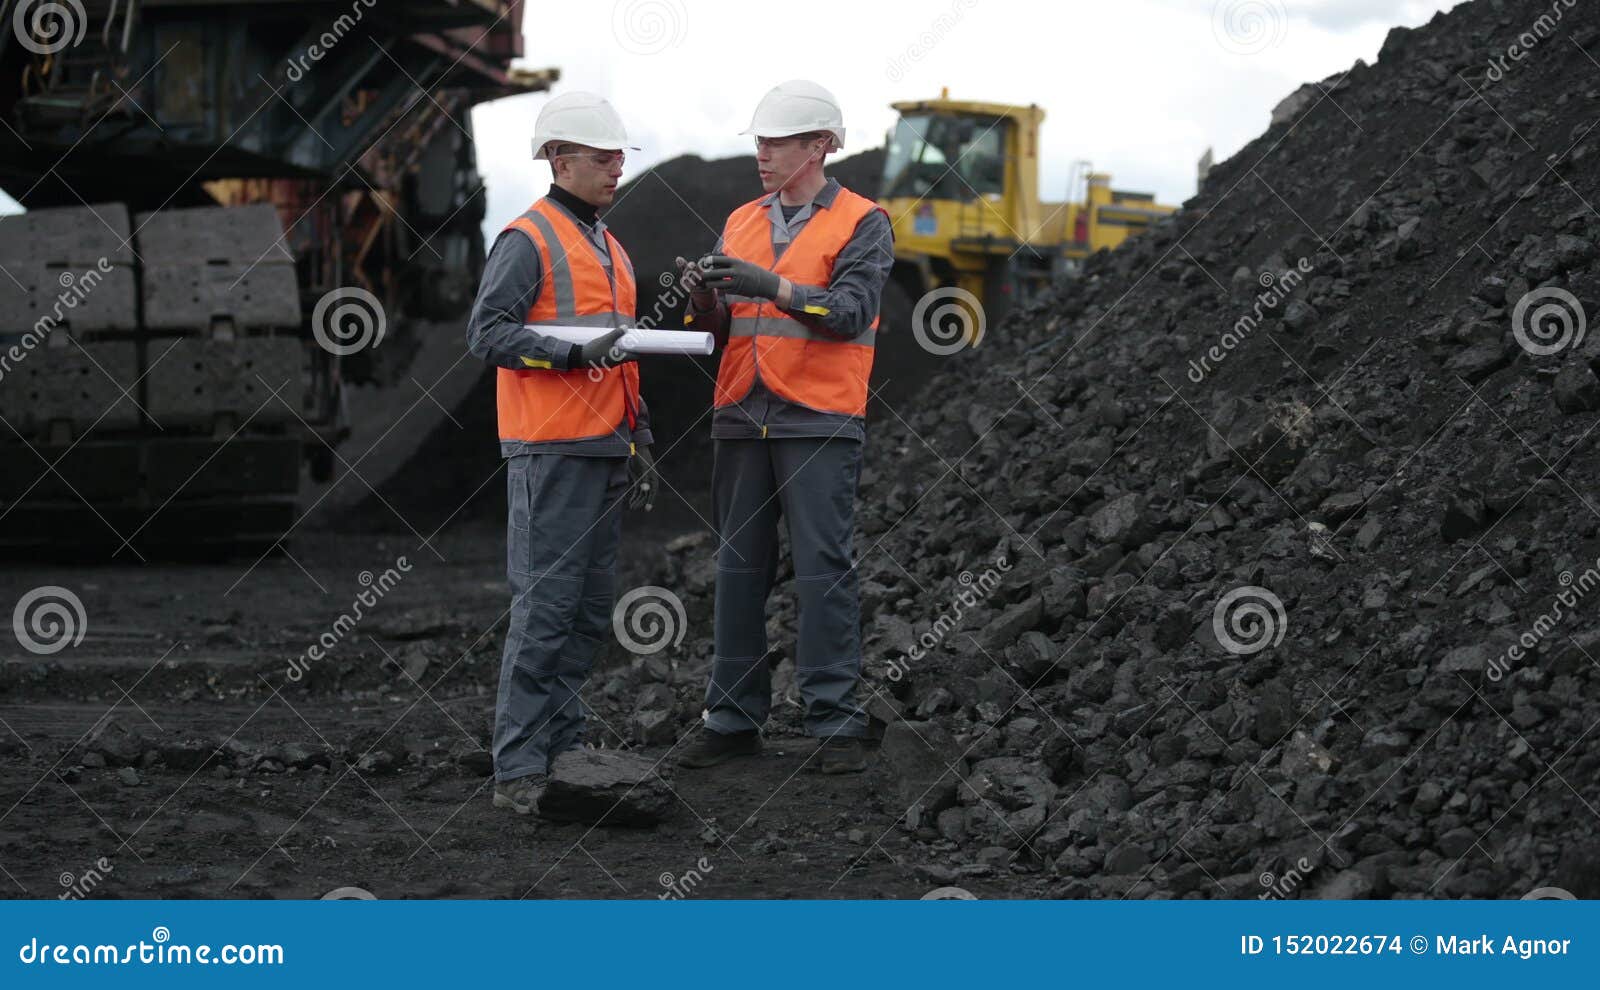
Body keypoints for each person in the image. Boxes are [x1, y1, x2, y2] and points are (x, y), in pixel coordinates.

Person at [674, 80, 893, 775]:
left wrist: (770, 286)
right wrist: (704, 299)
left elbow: (851, 311)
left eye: (777, 143)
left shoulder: (864, 221)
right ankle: (732, 719)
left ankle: (834, 718)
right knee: (739, 569)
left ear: (820, 146)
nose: (762, 154)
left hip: (818, 417)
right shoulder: (741, 220)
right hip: (743, 412)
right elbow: (720, 330)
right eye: (760, 142)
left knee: (823, 569)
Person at [466, 91, 659, 815]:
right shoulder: (528, 239)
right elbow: (488, 334)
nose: (616, 169)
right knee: (544, 609)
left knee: (585, 612)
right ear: (559, 159)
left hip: (605, 448)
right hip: (549, 450)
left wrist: (639, 434)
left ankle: (563, 747)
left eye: (619, 158)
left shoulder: (609, 246)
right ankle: (517, 768)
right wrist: (566, 358)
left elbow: (622, 352)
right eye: (602, 158)